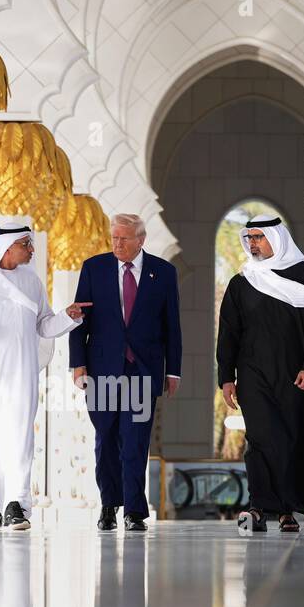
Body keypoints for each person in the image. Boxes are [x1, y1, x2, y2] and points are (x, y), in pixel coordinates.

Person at [0, 225, 90, 531]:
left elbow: (43, 326)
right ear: (7, 246)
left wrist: (68, 317)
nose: (32, 250)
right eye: (26, 245)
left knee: (21, 436)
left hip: (24, 369)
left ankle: (17, 503)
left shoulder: (31, 280)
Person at [216, 214, 304, 533]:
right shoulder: (241, 282)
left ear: (276, 237)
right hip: (253, 373)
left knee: (290, 436)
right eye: (250, 238)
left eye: (259, 236)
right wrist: (227, 377)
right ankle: (258, 507)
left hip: (294, 372)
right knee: (259, 439)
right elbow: (229, 333)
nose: (253, 243)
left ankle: (287, 510)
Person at [68, 213, 183, 532]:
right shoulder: (94, 268)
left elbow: (172, 326)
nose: (116, 243)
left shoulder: (163, 272)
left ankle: (134, 510)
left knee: (135, 442)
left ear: (140, 240)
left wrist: (172, 371)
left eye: (123, 238)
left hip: (143, 371)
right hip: (102, 369)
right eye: (114, 237)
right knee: (106, 440)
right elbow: (80, 319)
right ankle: (108, 505)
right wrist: (78, 364)